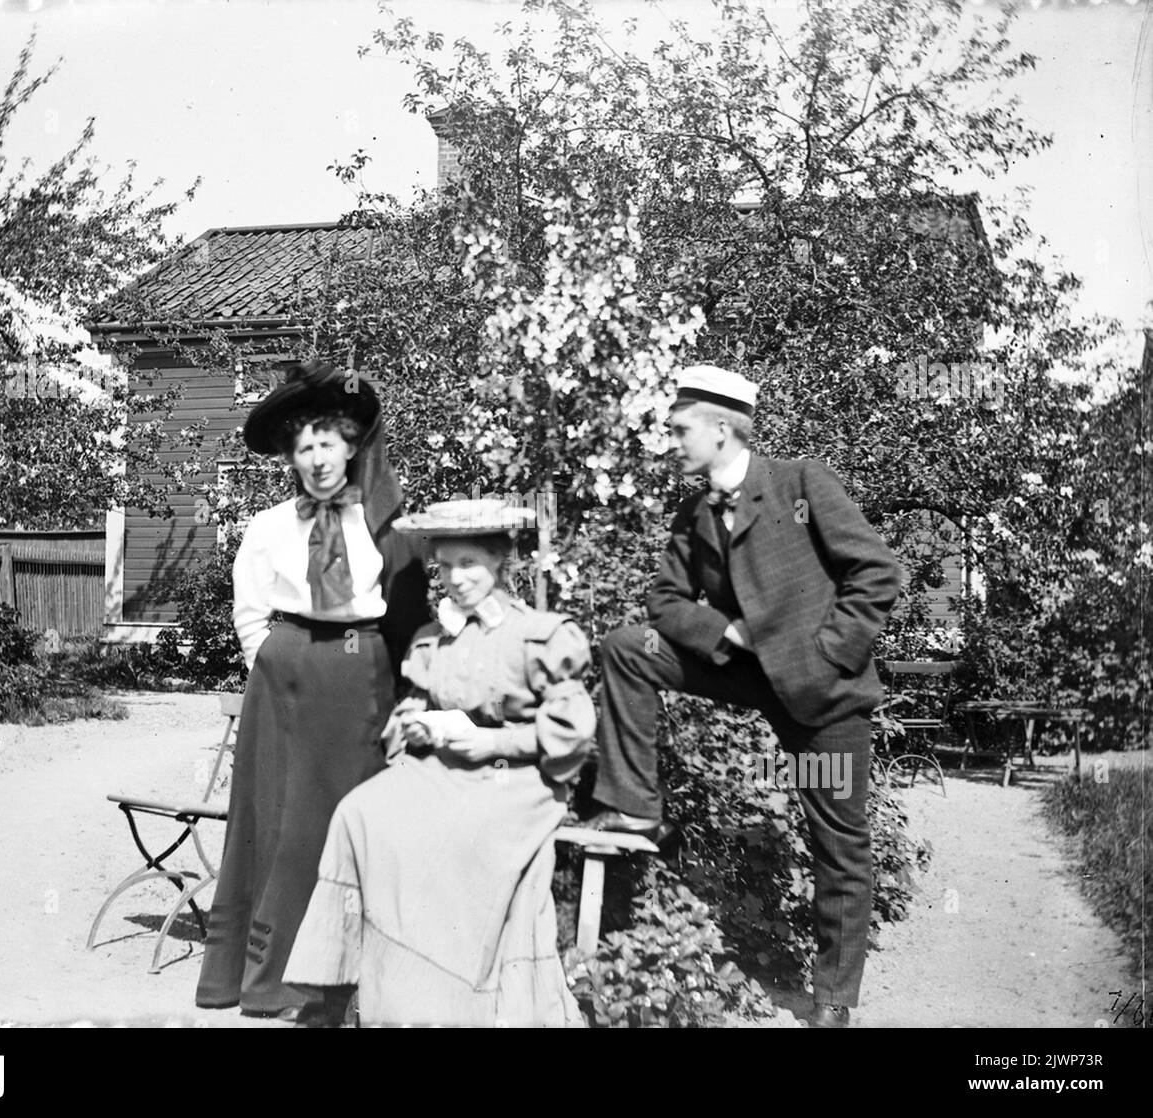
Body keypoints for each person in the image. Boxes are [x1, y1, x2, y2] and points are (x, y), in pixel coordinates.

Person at [585, 365, 903, 1029]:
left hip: (823, 698)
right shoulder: (695, 510)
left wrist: (830, 654)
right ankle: (635, 808)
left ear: (723, 429)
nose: (671, 441)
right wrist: (724, 631)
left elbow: (875, 571)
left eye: (680, 429)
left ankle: (834, 998)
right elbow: (665, 601)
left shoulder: (800, 484)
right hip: (741, 670)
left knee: (838, 843)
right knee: (627, 645)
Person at [282, 499, 595, 1027]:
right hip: (439, 770)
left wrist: (494, 745)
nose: (455, 578)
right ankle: (340, 987)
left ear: (500, 563)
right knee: (360, 812)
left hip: (514, 779)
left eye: (469, 564)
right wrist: (413, 725)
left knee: (453, 840)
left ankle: (446, 1001)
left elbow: (571, 733)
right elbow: (415, 706)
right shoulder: (435, 638)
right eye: (445, 566)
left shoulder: (541, 635)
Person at [195, 359, 429, 1019]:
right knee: (281, 826)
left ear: (351, 447)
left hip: (363, 677)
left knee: (346, 823)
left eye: (328, 443)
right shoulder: (270, 526)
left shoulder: (381, 521)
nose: (317, 458)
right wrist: (271, 664)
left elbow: (407, 607)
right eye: (304, 447)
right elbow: (249, 612)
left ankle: (348, 976)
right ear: (291, 458)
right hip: (287, 680)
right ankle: (270, 979)